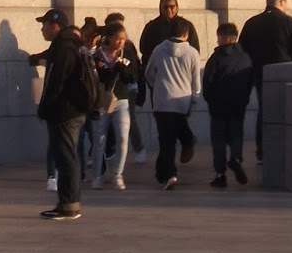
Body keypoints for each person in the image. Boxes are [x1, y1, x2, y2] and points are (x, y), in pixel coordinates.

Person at [239, 0, 292, 162]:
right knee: (286, 111)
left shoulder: (251, 23)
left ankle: (262, 151)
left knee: (264, 110)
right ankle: (284, 148)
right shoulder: (290, 23)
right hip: (285, 73)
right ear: (282, 2)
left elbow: (242, 49)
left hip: (259, 73)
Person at [35, 8, 90, 220]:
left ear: (54, 25)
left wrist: (45, 107)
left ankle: (69, 205)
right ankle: (68, 203)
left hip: (65, 111)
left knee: (66, 158)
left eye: (44, 25)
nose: (42, 29)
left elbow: (55, 82)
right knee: (68, 156)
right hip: (72, 109)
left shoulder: (63, 48)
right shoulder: (71, 45)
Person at [143, 17, 199, 190]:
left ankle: (169, 174)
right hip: (182, 100)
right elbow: (196, 82)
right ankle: (188, 141)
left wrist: (157, 86)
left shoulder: (158, 50)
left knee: (166, 140)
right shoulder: (192, 53)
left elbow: (148, 73)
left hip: (162, 100)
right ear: (186, 34)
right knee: (179, 129)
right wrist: (194, 99)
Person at [87, 23, 138, 191]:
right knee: (99, 139)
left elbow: (132, 77)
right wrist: (111, 67)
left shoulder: (126, 53)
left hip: (121, 100)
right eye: (117, 38)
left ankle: (118, 174)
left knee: (123, 137)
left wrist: (121, 67)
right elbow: (97, 77)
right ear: (109, 38)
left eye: (123, 39)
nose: (120, 42)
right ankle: (97, 177)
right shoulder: (98, 55)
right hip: (102, 101)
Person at [202, 22, 253, 188]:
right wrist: (244, 99)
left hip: (218, 106)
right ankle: (236, 158)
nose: (217, 41)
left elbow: (208, 81)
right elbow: (249, 81)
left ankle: (220, 174)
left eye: (219, 37)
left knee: (218, 141)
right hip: (238, 105)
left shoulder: (217, 57)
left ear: (226, 38)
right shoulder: (245, 57)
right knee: (236, 134)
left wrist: (210, 99)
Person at [104, 13, 145, 161]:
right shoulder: (102, 49)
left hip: (127, 89)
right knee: (105, 122)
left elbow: (135, 69)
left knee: (129, 119)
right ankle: (109, 149)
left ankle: (139, 148)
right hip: (109, 91)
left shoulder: (127, 46)